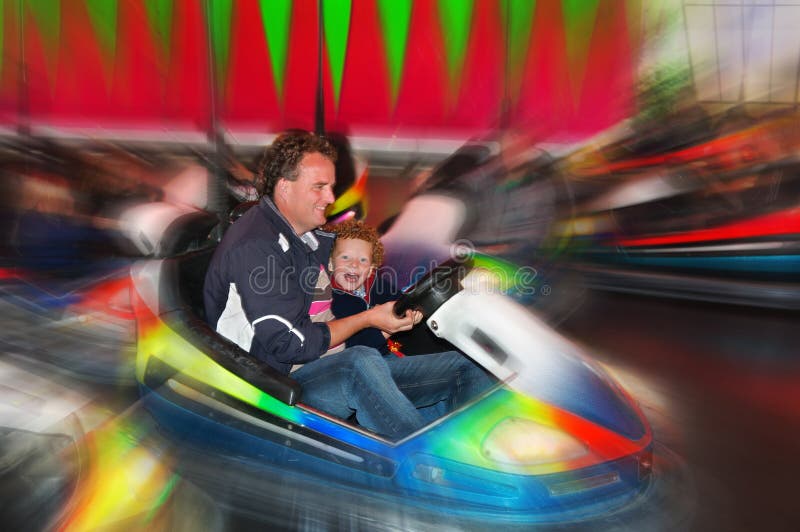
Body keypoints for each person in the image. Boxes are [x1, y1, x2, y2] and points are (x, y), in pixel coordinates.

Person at [204, 130, 491, 439]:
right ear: (285, 188)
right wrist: (368, 318)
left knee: (468, 366)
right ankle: (431, 468)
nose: (330, 197)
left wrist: (414, 295)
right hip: (272, 385)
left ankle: (461, 448)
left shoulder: (304, 232)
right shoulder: (257, 249)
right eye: (319, 187)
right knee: (360, 361)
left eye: (330, 186)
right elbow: (291, 345)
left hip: (317, 363)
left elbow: (355, 250)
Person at [325, 219, 402, 355]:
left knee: (452, 360)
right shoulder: (331, 301)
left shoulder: (377, 285)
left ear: (371, 269)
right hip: (357, 362)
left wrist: (412, 311)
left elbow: (401, 301)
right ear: (331, 263)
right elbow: (349, 350)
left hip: (389, 354)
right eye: (345, 257)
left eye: (363, 260)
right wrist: (385, 330)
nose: (354, 264)